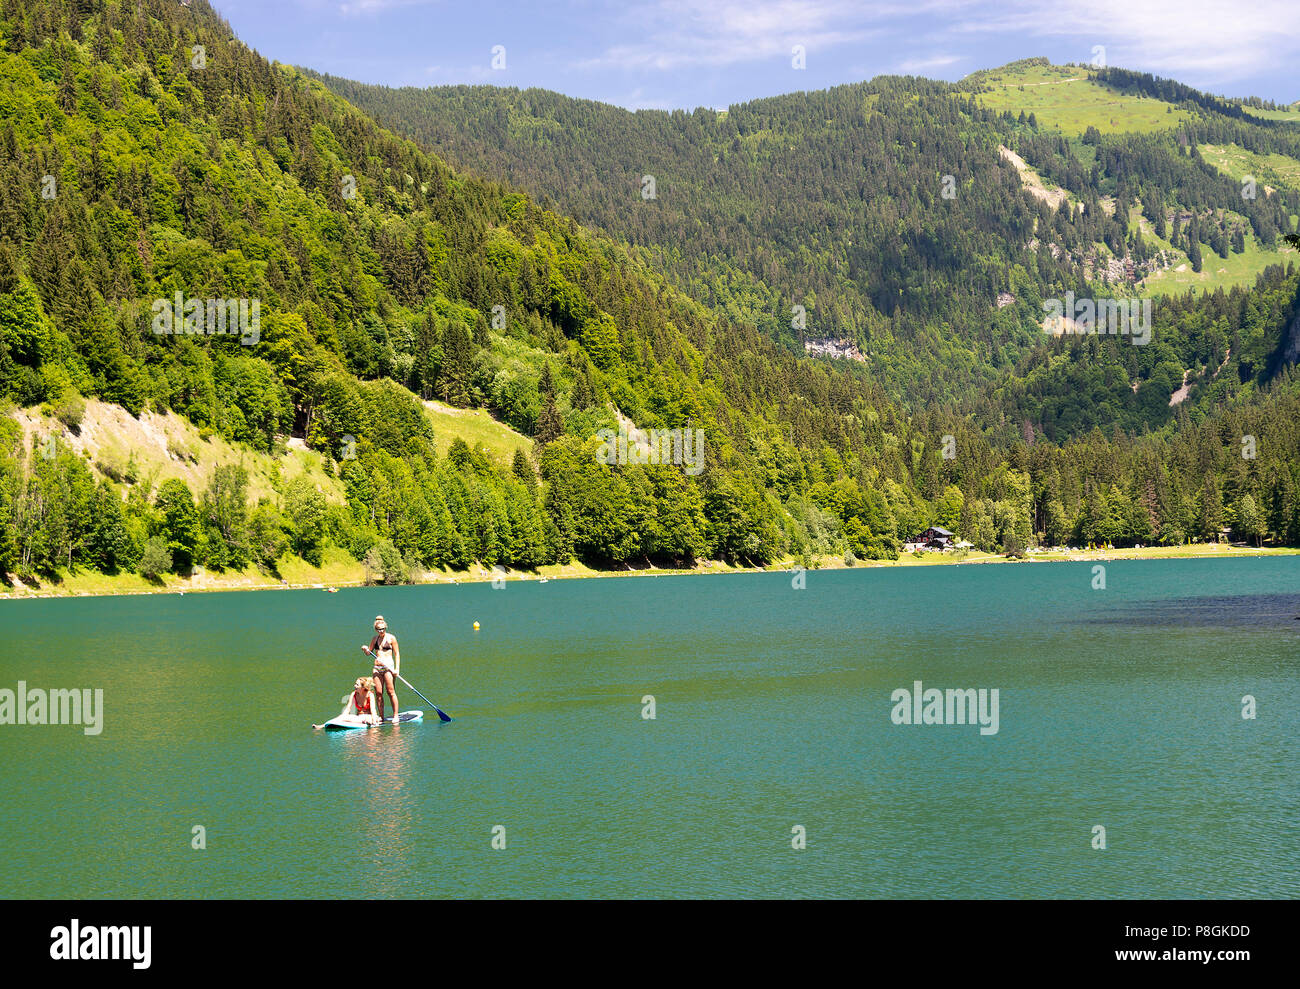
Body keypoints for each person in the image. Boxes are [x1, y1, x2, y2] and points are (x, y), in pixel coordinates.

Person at [363, 615, 400, 722]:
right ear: (376, 629)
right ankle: (382, 717)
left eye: (383, 629)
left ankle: (395, 715)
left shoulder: (391, 638)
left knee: (391, 692)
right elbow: (368, 653)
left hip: (389, 668)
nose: (381, 631)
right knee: (379, 693)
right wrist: (365, 649)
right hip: (377, 668)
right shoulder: (374, 639)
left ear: (386, 628)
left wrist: (397, 669)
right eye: (379, 629)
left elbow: (397, 654)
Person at [312, 676, 380, 729]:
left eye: (357, 685)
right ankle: (323, 725)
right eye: (355, 684)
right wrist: (343, 717)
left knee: (368, 720)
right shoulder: (354, 694)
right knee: (342, 717)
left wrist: (374, 721)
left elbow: (373, 710)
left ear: (362, 687)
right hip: (359, 717)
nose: (354, 686)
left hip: (369, 717)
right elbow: (348, 708)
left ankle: (371, 722)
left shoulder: (370, 695)